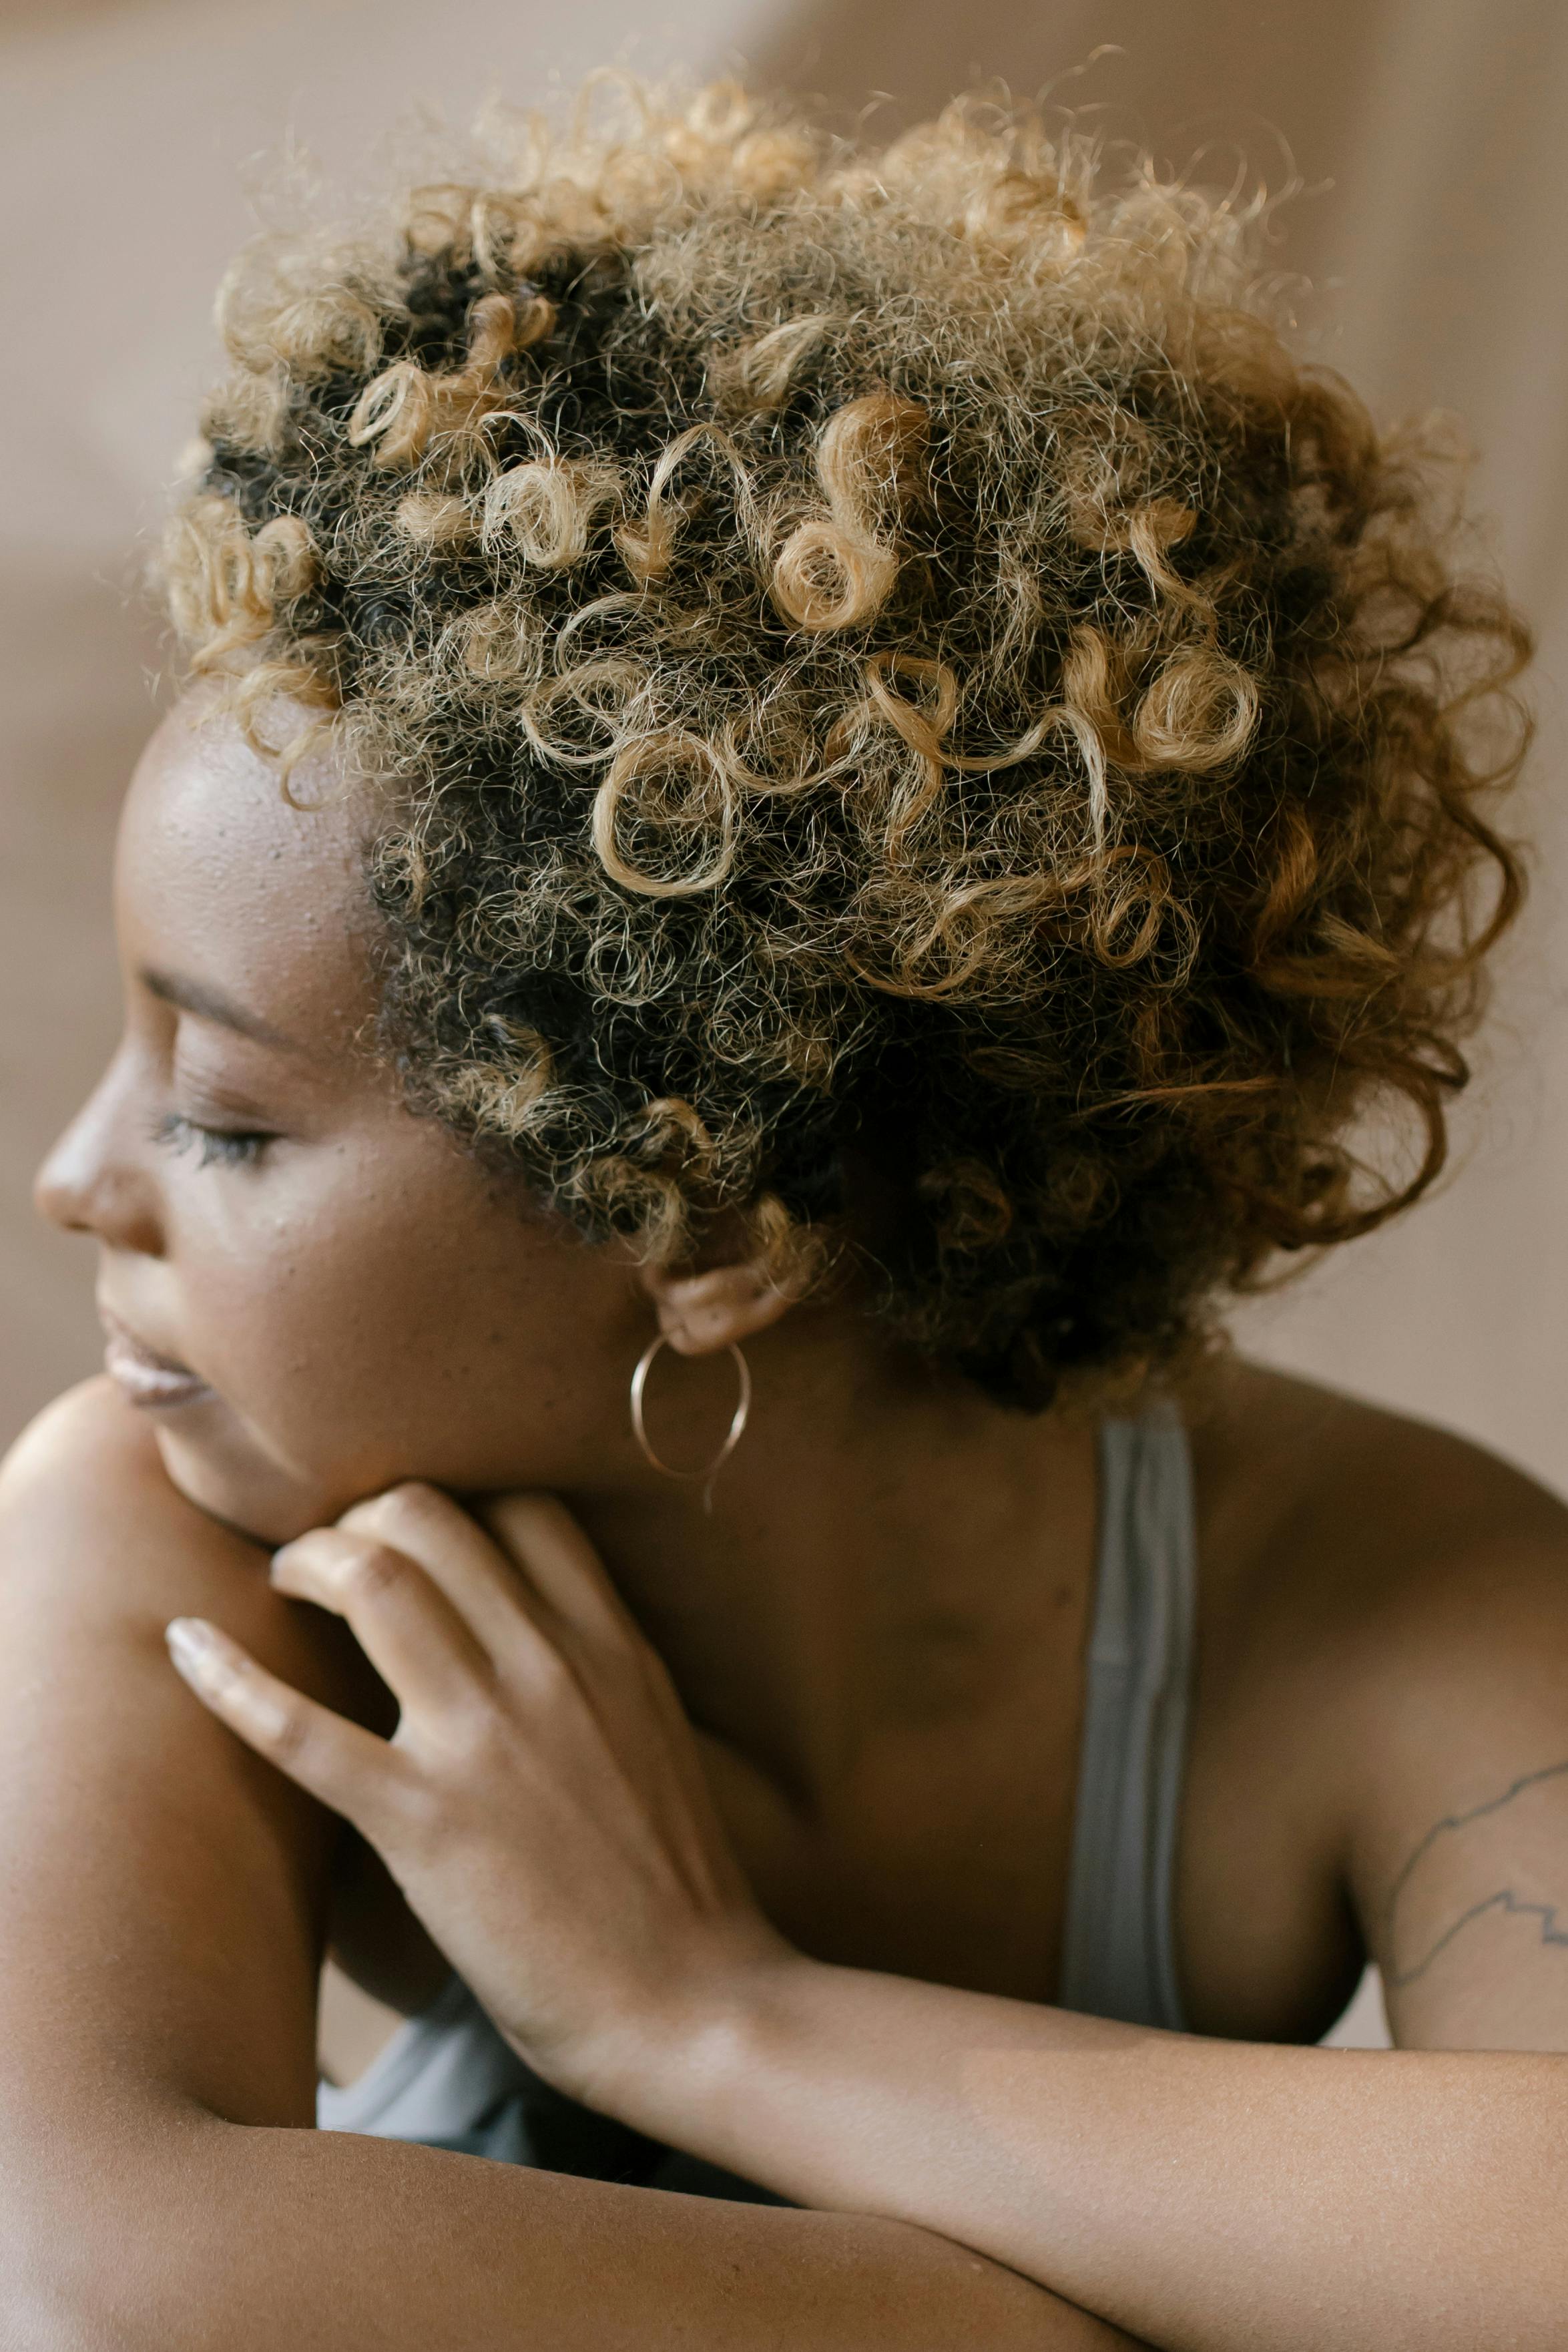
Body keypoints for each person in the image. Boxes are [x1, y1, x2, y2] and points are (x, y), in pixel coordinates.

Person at [1, 77, 1562, 2351]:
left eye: (226, 1114)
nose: (75, 1178)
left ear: (710, 1225)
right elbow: (81, 2278)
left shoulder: (1386, 1602)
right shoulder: (159, 1552)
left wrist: (713, 2016)